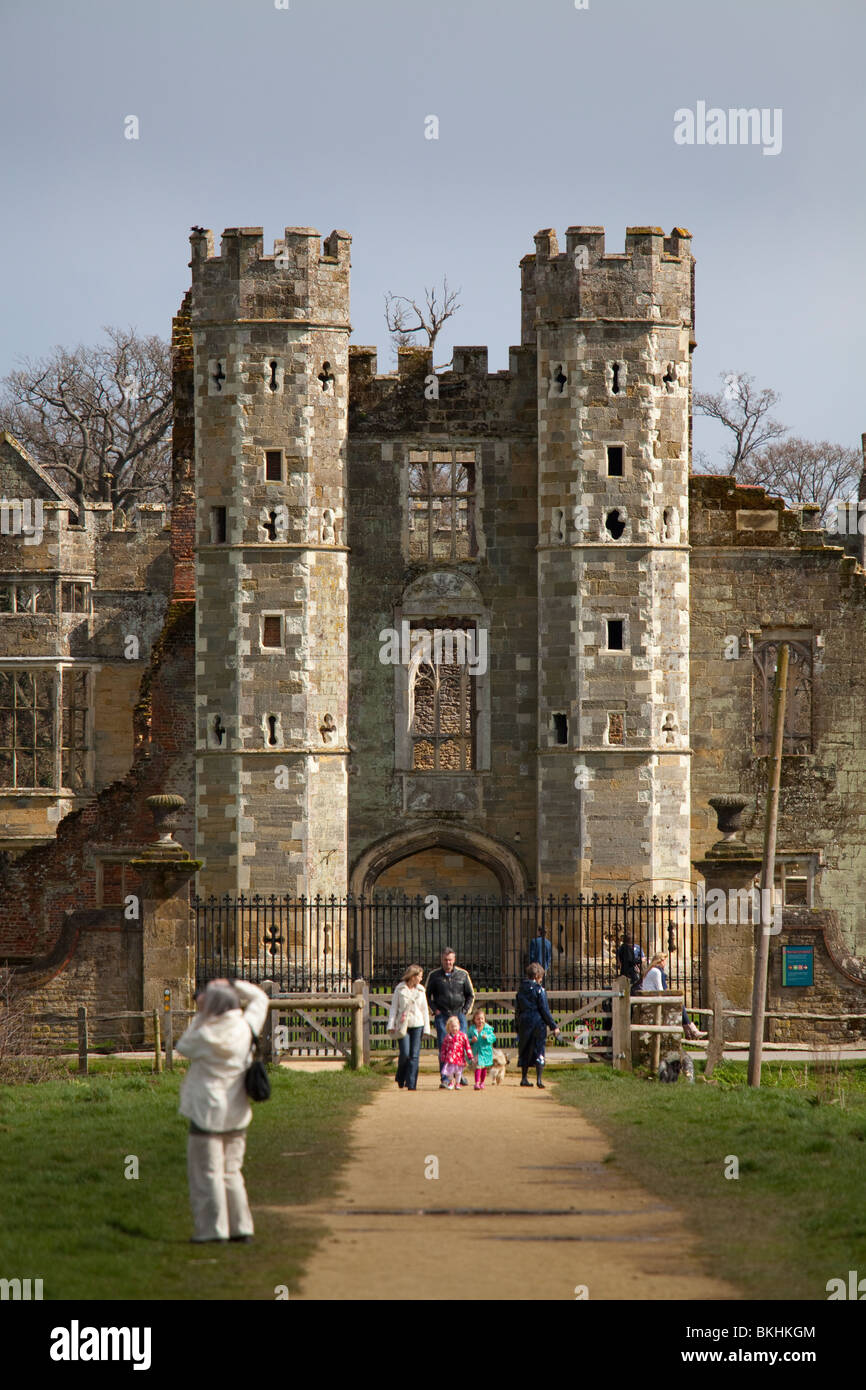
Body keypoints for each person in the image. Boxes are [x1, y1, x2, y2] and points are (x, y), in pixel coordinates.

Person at [175, 976, 269, 1244]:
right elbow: (261, 998)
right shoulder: (246, 1027)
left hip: (207, 1111)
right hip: (237, 1109)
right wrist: (233, 983)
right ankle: (241, 1228)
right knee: (231, 1171)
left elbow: (183, 1046)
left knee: (208, 1173)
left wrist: (202, 1014)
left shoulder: (204, 1033)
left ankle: (212, 1231)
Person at [426, 946, 476, 1089]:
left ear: (454, 960)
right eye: (445, 960)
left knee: (461, 1046)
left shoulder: (463, 974)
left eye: (450, 960)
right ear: (441, 960)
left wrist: (465, 1011)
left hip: (458, 1014)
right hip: (443, 1015)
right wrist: (434, 1010)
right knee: (444, 1046)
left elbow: (470, 995)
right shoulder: (434, 975)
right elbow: (427, 995)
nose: (448, 962)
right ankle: (445, 1077)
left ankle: (459, 1075)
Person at [386, 964, 433, 1090]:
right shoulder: (399, 989)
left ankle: (411, 1083)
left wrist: (427, 1029)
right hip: (403, 1025)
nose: (421, 979)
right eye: (420, 976)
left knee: (414, 1055)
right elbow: (394, 1008)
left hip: (417, 1024)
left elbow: (424, 1011)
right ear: (413, 976)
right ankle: (401, 1076)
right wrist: (391, 1025)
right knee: (405, 1053)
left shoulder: (421, 990)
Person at [515, 962, 560, 1088]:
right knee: (539, 1049)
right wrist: (553, 1026)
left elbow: (517, 1009)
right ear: (538, 976)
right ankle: (539, 1079)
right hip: (537, 1022)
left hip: (524, 1021)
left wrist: (517, 1025)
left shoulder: (521, 989)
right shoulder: (540, 990)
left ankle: (524, 1078)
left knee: (524, 1049)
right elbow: (544, 1010)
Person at [641, 954, 706, 1040]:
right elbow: (661, 990)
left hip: (651, 998)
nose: (666, 963)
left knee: (679, 1005)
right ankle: (691, 1030)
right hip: (654, 1000)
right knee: (679, 1005)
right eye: (665, 961)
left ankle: (690, 1031)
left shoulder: (651, 970)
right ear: (660, 961)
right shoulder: (656, 972)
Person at [439, 1014, 474, 1090]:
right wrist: (443, 1056)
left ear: (459, 1026)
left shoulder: (463, 1036)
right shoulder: (447, 1037)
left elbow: (467, 1047)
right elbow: (444, 1048)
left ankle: (458, 1083)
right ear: (449, 1027)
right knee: (449, 1072)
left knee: (458, 1072)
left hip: (459, 1058)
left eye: (456, 1026)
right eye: (452, 1026)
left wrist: (470, 1056)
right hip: (450, 1058)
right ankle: (451, 1081)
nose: (454, 1028)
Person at [468, 1007, 496, 1089]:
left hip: (486, 1052)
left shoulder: (488, 1029)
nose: (480, 1021)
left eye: (482, 1019)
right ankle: (476, 1083)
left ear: (484, 1019)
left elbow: (493, 1038)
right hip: (477, 1051)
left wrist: (487, 1037)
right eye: (478, 1019)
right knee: (478, 1066)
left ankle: (482, 1082)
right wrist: (472, 1040)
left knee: (484, 1068)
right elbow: (467, 1039)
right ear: (474, 1020)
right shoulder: (472, 1029)